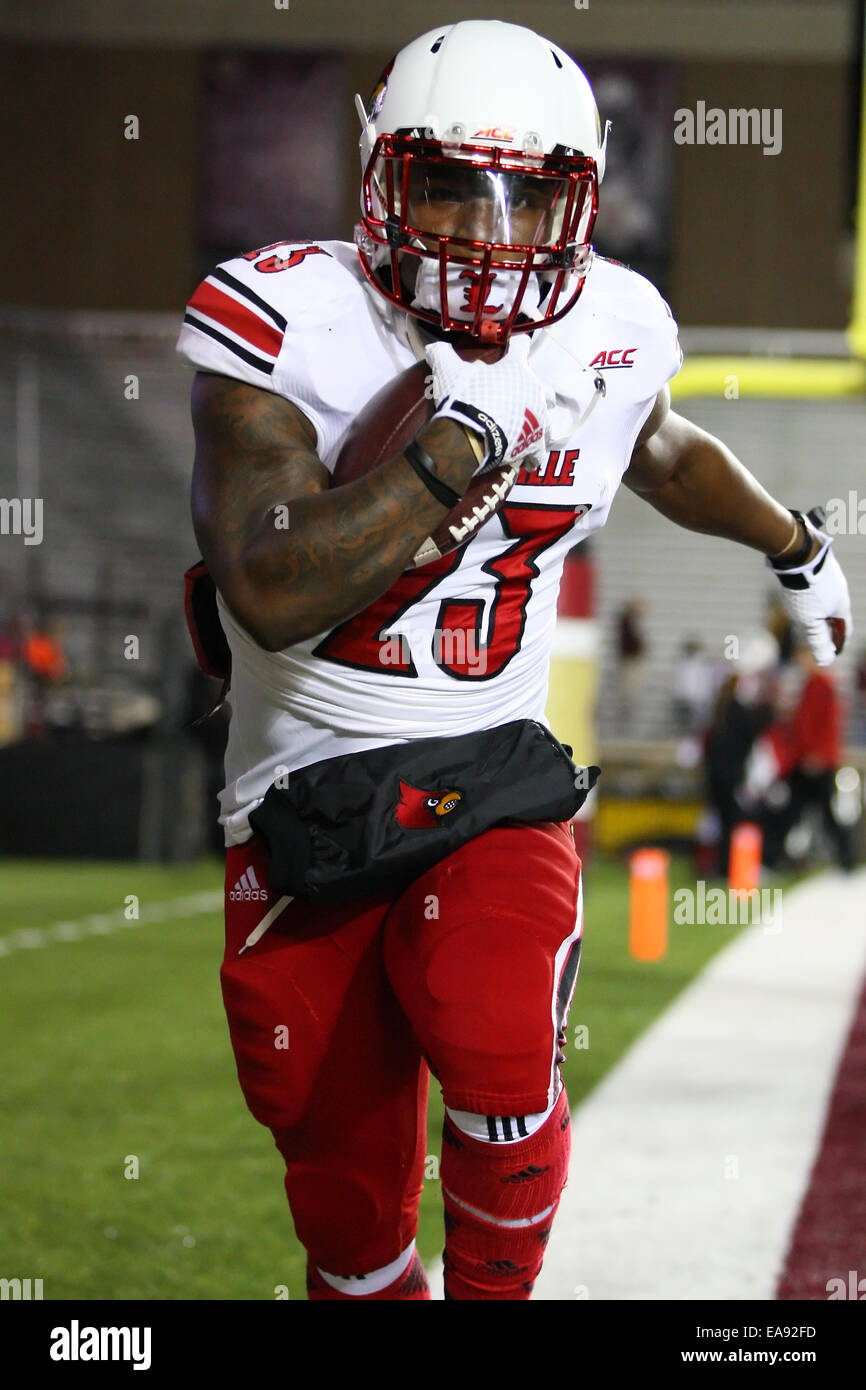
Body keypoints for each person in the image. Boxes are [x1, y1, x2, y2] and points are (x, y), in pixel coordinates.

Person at [177, 20, 853, 1300]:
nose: (488, 239)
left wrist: (793, 545)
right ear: (379, 176)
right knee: (340, 1194)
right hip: (302, 791)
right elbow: (267, 584)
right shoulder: (285, 317)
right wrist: (454, 445)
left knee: (493, 1037)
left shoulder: (611, 323)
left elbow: (655, 448)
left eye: (529, 201)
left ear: (583, 202)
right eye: (447, 189)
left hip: (489, 768)